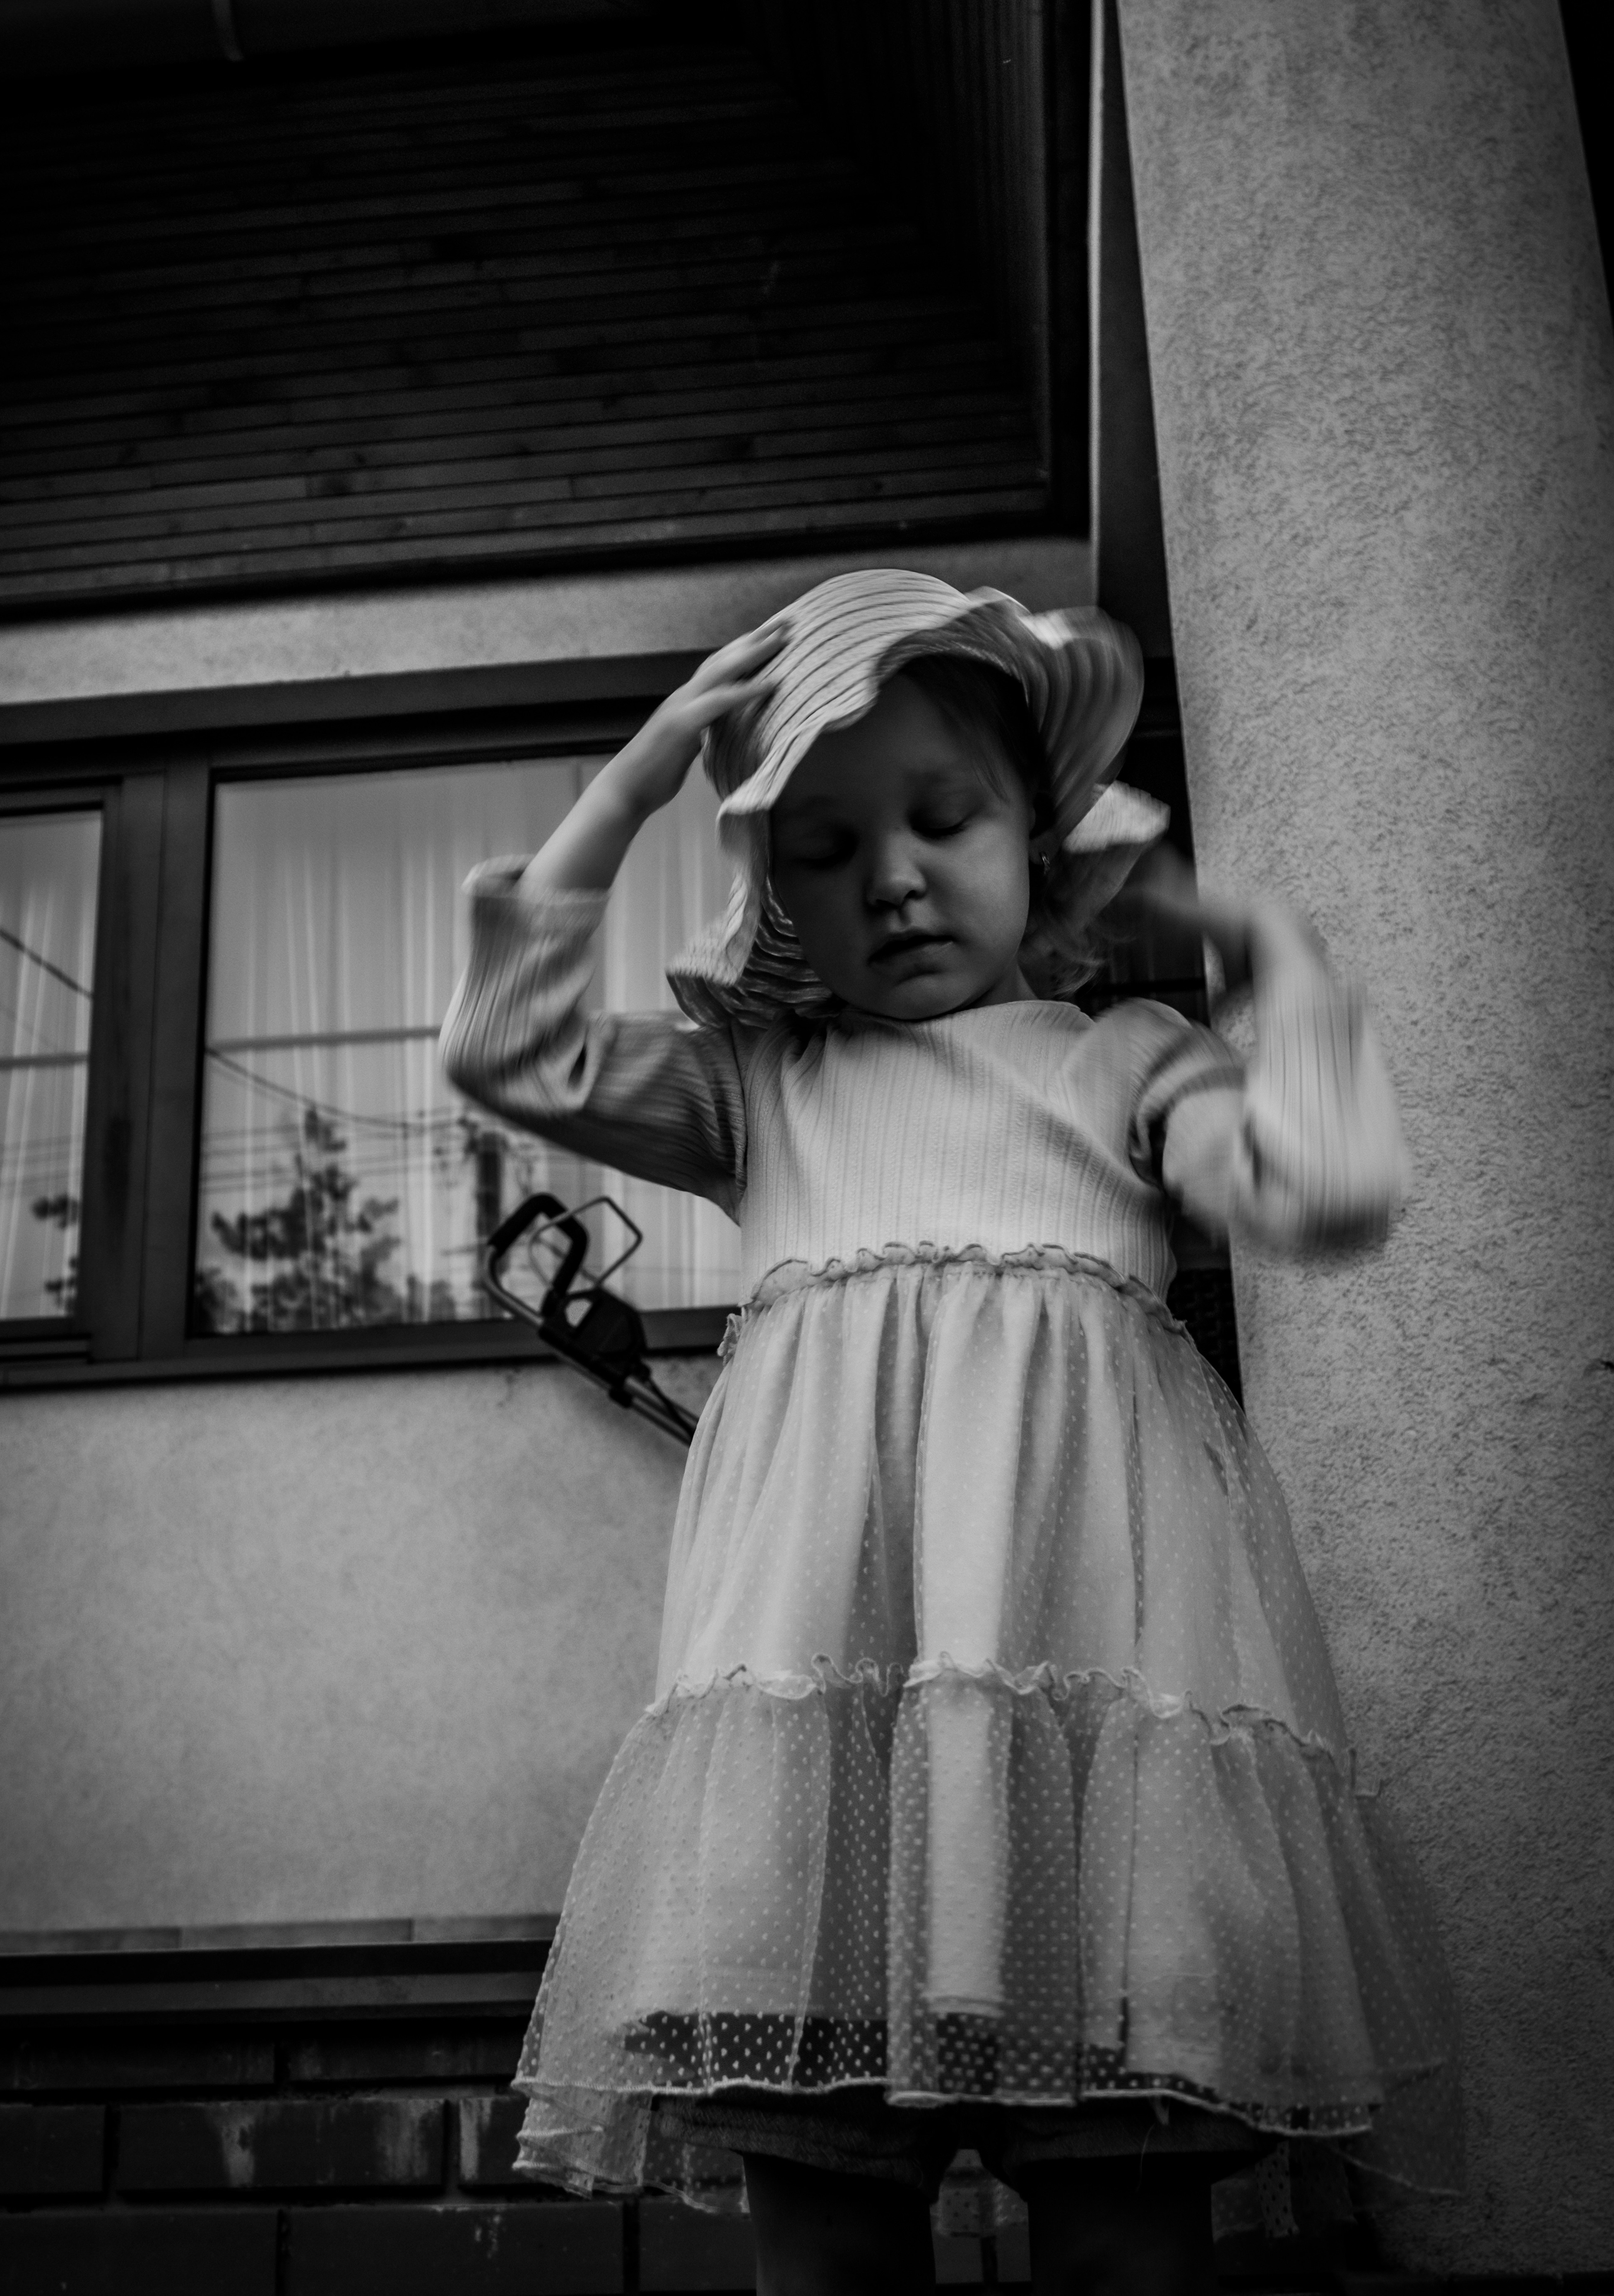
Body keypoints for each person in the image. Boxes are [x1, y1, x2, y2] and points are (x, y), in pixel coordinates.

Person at [440, 568, 1460, 2295]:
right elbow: (506, 1044)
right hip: (821, 1773)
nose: (891, 876)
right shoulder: (760, 1091)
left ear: (1038, 852)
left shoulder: (1128, 1063)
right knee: (822, 2229)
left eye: (940, 819)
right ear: (774, 898)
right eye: (820, 849)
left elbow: (1321, 1189)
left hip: (1090, 1757)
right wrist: (642, 770)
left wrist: (1279, 972)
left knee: (1127, 2225)